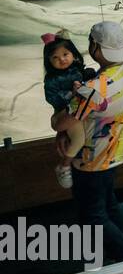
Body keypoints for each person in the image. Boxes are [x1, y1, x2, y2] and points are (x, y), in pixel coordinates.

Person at [52, 22, 123, 263]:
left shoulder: (91, 89)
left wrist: (57, 119)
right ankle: (118, 259)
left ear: (96, 47)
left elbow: (60, 123)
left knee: (93, 215)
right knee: (109, 207)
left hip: (90, 161)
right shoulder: (122, 72)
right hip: (113, 153)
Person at [43, 30, 88, 189]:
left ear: (74, 54)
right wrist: (72, 94)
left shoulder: (78, 70)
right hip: (65, 113)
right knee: (80, 137)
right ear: (49, 61)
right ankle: (64, 165)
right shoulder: (51, 79)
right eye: (55, 57)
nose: (61, 59)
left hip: (81, 111)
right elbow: (52, 98)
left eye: (65, 54)